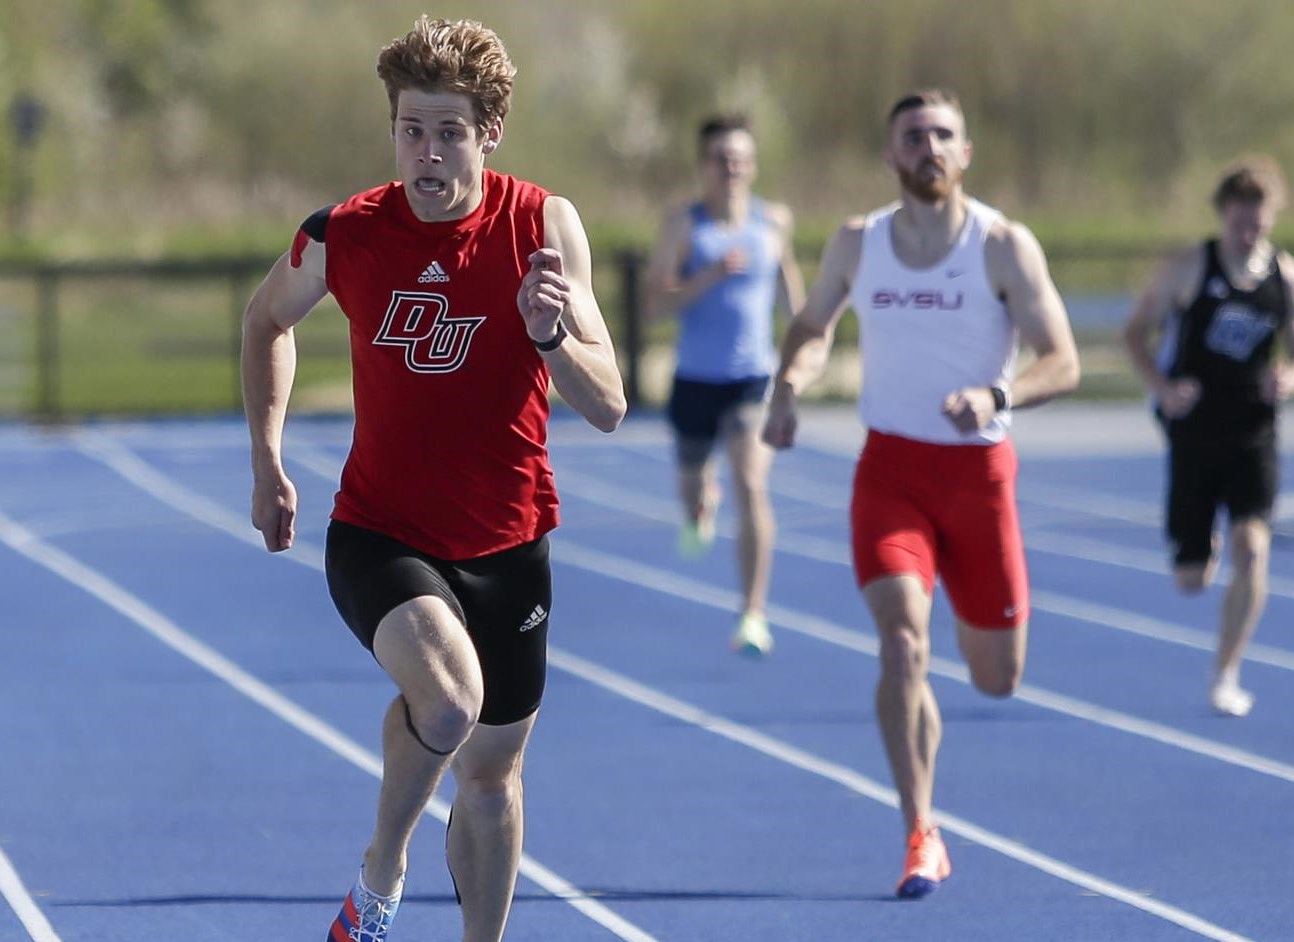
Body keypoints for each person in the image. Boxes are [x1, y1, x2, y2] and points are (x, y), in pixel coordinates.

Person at [240, 16, 625, 942]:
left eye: (449, 130)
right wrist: (268, 463)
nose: (428, 152)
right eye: (411, 129)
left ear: (488, 132)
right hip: (382, 534)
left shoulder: (543, 224)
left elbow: (608, 402)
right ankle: (381, 876)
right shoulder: (346, 231)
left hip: (510, 539)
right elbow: (266, 323)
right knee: (451, 701)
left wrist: (548, 337)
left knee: (492, 779)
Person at [762, 89, 1079, 898]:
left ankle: (926, 729)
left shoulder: (1003, 245)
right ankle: (920, 831)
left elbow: (1062, 359)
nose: (928, 147)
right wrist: (790, 388)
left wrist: (997, 398)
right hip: (891, 474)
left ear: (965, 153)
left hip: (978, 476)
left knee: (997, 677)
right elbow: (813, 329)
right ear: (891, 156)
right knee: (903, 644)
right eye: (913, 136)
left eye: (943, 135)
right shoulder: (858, 242)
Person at [1122, 157, 1294, 718]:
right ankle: (1201, 546)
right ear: (1223, 216)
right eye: (1241, 222)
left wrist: (1287, 377)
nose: (1250, 233)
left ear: (1274, 217)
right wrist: (1163, 387)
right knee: (1191, 578)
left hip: (1253, 431)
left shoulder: (1284, 277)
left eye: (1260, 223)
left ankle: (1227, 672)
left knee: (1254, 548)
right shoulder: (1190, 267)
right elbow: (1134, 334)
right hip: (1194, 431)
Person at [645, 112, 803, 657]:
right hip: (694, 378)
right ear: (704, 166)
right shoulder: (684, 225)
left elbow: (795, 303)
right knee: (692, 484)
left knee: (751, 481)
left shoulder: (773, 223)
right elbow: (654, 302)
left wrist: (800, 364)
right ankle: (697, 505)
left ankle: (753, 613)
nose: (730, 168)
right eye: (720, 159)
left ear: (753, 165)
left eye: (739, 158)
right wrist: (708, 276)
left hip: (751, 380)